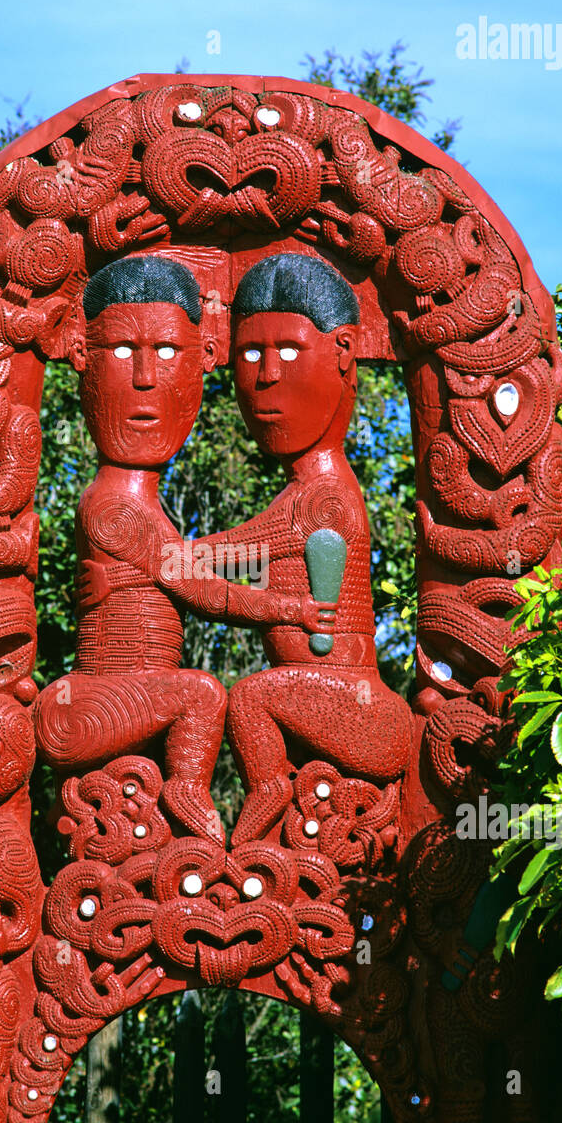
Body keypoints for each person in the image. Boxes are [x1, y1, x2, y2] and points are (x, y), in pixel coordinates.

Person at [34, 254, 335, 841]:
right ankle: (188, 791)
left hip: (117, 705)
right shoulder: (114, 507)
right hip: (86, 709)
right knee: (200, 692)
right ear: (81, 359)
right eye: (122, 352)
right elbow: (194, 583)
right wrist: (289, 609)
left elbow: (183, 565)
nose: (145, 377)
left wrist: (132, 579)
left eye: (167, 352)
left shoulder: (143, 510)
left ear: (202, 360)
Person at [190, 252, 415, 845]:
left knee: (250, 694)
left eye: (288, 351)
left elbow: (212, 558)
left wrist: (143, 558)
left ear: (344, 351)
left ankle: (259, 809)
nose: (266, 376)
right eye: (249, 354)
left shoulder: (324, 500)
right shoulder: (301, 494)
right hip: (323, 702)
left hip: (361, 709)